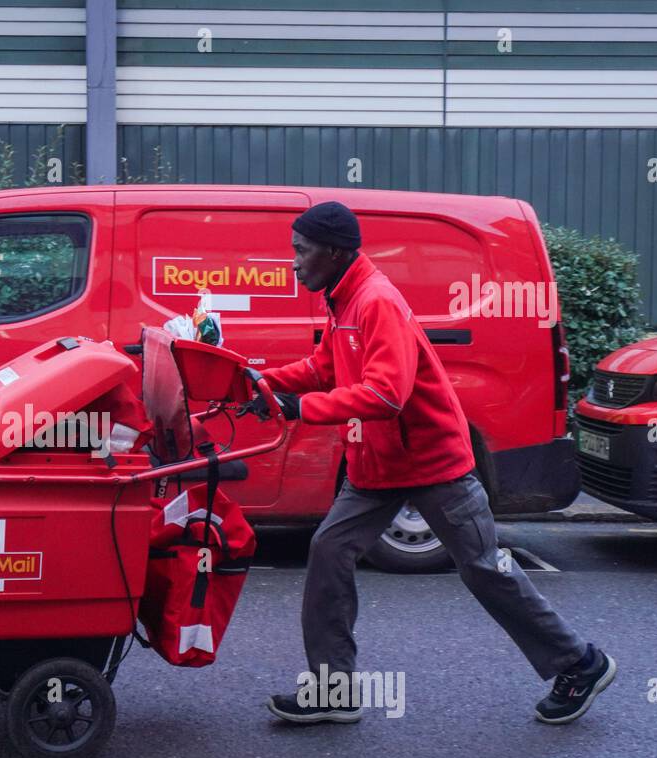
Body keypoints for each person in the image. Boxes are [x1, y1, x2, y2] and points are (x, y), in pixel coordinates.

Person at [257, 201, 615, 725]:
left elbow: (385, 395)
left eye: (301, 251)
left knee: (484, 569)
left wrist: (302, 408)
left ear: (333, 252)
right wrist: (265, 382)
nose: (294, 262)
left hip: (432, 462)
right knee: (329, 549)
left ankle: (581, 663)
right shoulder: (343, 298)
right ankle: (333, 689)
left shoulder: (375, 300)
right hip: (378, 464)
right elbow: (326, 365)